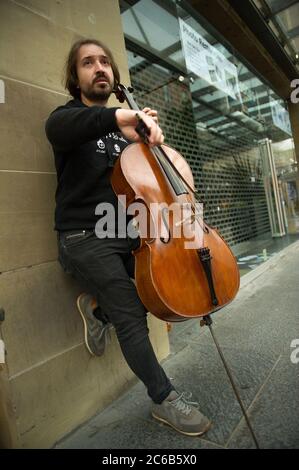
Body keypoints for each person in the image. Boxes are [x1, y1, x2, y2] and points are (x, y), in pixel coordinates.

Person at [45, 38, 211, 437]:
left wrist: (153, 145)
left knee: (156, 294)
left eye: (105, 62)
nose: (98, 68)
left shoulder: (126, 135)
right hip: (83, 236)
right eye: (88, 63)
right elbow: (66, 128)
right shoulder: (66, 119)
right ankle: (164, 399)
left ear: (114, 76)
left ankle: (100, 313)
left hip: (126, 234)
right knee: (133, 317)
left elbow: (151, 190)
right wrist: (121, 117)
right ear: (76, 76)